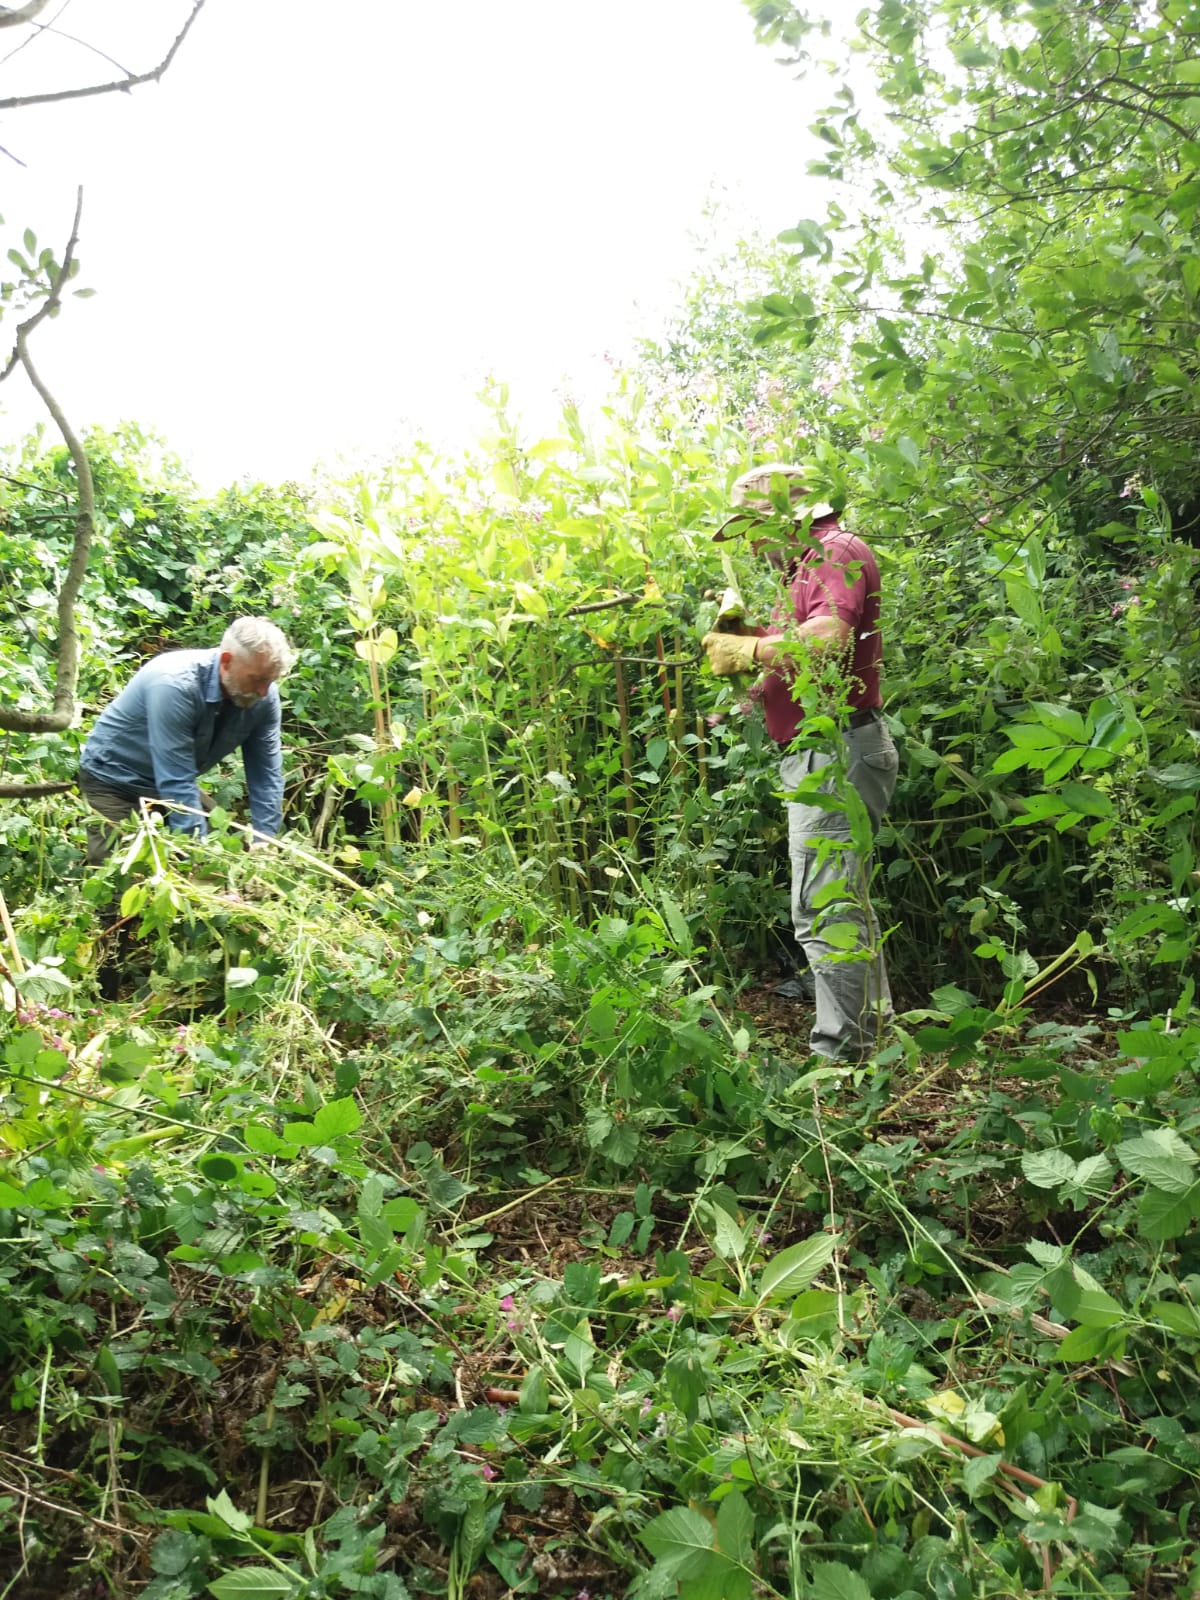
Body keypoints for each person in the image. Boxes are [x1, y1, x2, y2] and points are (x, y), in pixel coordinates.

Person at [701, 464, 898, 1063]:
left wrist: (752, 648)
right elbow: (805, 652)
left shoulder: (832, 552)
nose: (749, 548)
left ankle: (843, 1060)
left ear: (783, 518)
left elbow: (829, 642)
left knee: (824, 908)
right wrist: (751, 642)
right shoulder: (810, 565)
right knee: (842, 902)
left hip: (834, 752)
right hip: (828, 749)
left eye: (750, 531)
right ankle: (870, 1045)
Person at [78, 616, 293, 863]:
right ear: (226, 661)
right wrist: (196, 855)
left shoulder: (263, 697)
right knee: (124, 871)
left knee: (227, 860)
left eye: (270, 681)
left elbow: (266, 775)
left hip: (170, 781)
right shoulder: (175, 683)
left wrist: (264, 840)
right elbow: (176, 778)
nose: (264, 691)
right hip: (114, 781)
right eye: (257, 679)